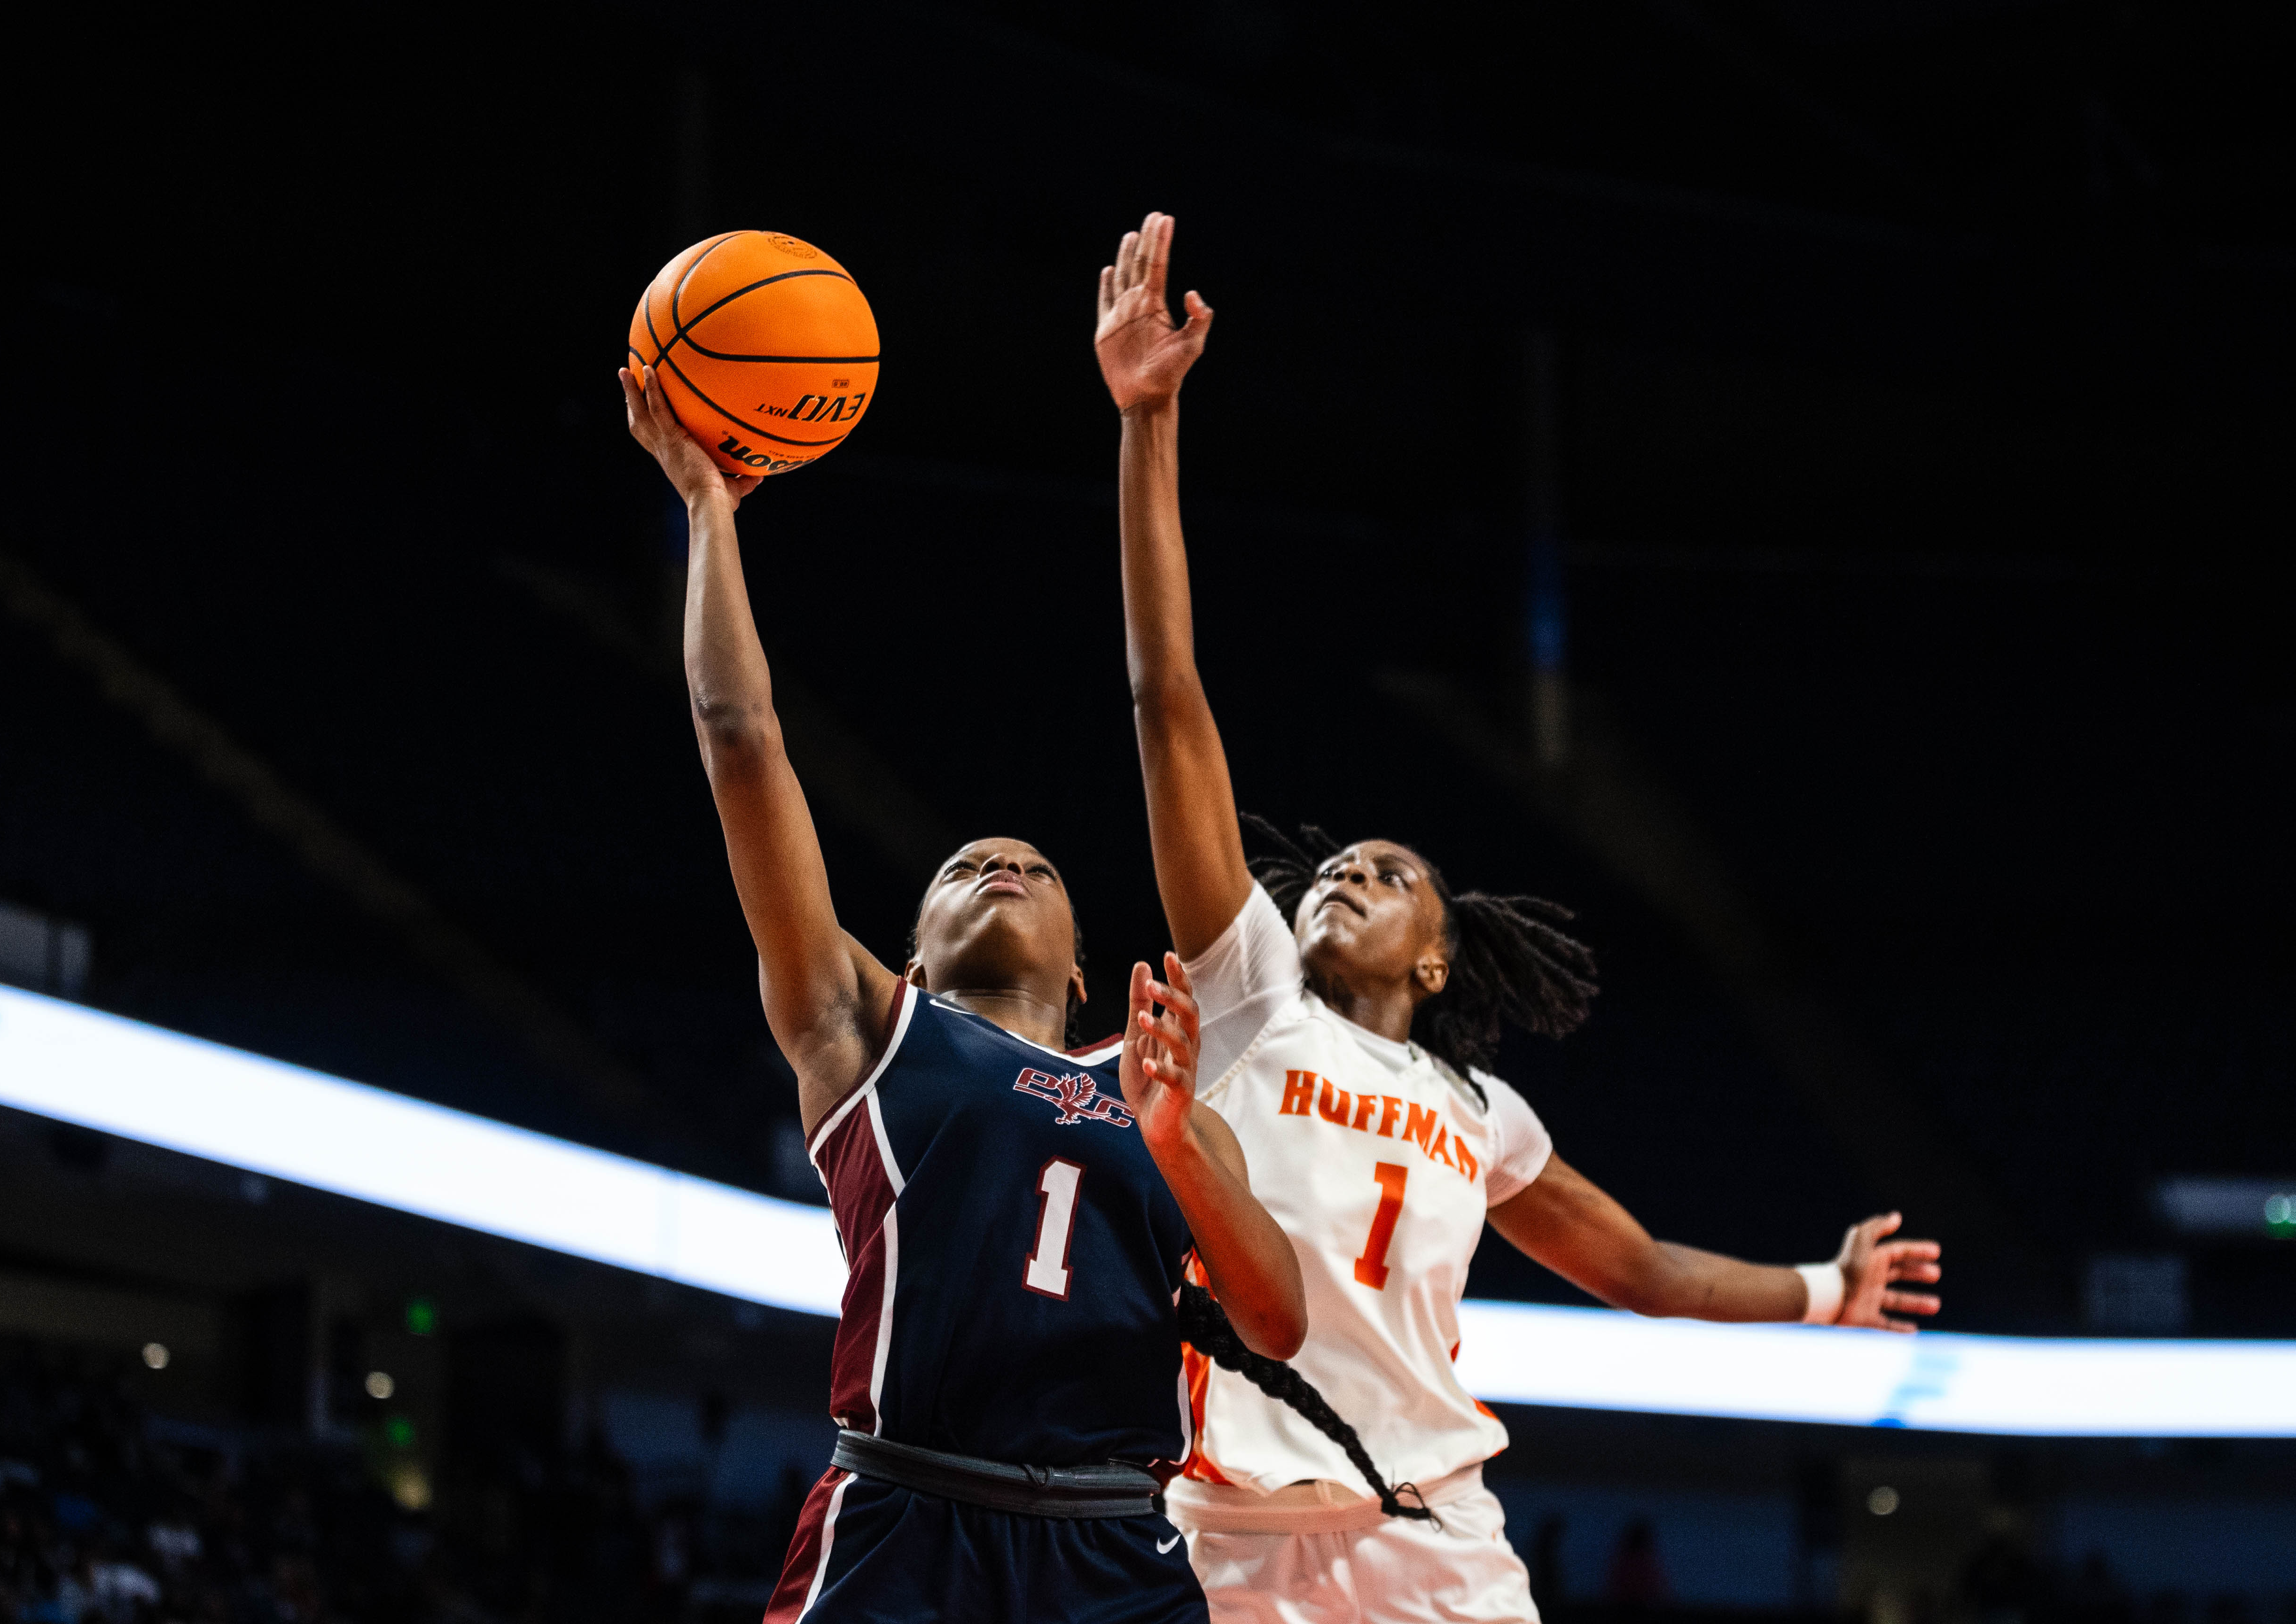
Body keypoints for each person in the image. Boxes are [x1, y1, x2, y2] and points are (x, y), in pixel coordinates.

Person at [1093, 212, 1945, 1624]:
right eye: (1333, 865)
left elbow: (1643, 1268)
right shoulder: (1247, 989)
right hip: (1232, 1535)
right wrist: (1146, 422)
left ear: (1434, 955)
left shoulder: (1482, 1109)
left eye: (1387, 871)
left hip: (1432, 1529)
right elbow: (1165, 696)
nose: (1344, 873)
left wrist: (1821, 1286)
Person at [617, 361, 1309, 1624]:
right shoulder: (865, 1027)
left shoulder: (1159, 1090)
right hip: (902, 1514)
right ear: (916, 950)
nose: (998, 864)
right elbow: (740, 733)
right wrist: (708, 510)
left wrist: (1178, 1146)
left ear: (1083, 964)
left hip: (1111, 1545)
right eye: (964, 866)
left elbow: (1279, 1322)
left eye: (1032, 866)